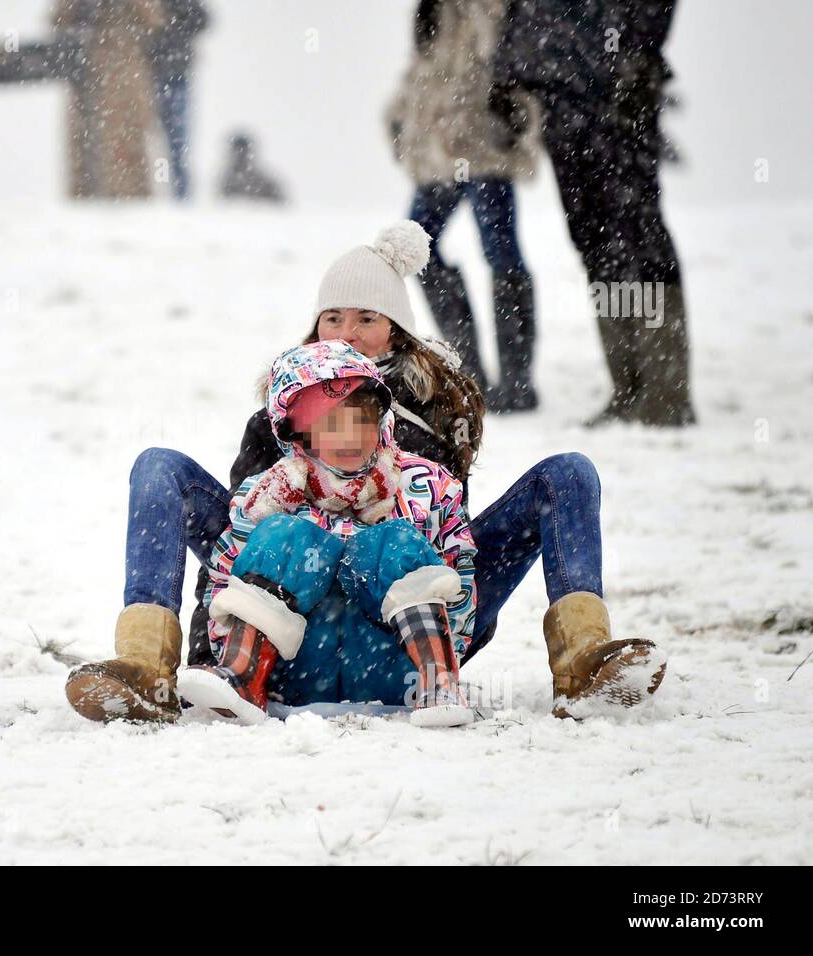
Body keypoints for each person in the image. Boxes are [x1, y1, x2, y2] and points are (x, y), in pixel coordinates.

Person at [64, 221, 665, 724]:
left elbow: (445, 535)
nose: (346, 333)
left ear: (398, 332)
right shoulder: (280, 416)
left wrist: (452, 620)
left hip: (411, 607)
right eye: (332, 318)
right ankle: (148, 666)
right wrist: (214, 646)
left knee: (567, 473)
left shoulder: (438, 412)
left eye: (366, 319)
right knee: (158, 468)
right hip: (294, 608)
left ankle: (582, 659)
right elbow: (243, 542)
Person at [179, 340, 478, 728]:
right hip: (294, 671)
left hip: (394, 669)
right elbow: (222, 581)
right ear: (299, 436)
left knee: (391, 542)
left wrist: (449, 638)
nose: (350, 436)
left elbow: (462, 579)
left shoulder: (426, 485)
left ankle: (438, 681)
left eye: (361, 419)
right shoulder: (267, 495)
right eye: (330, 425)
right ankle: (242, 676)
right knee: (287, 537)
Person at [491, 0, 694, 426]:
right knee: (594, 242)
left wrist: (636, 54)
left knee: (640, 235)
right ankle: (627, 386)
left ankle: (665, 392)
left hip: (617, 94)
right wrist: (506, 74)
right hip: (557, 96)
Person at [387, 0, 540, 411]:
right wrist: (402, 117)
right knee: (415, 246)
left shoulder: (496, 8)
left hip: (483, 142)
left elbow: (516, 60)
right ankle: (469, 369)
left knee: (499, 249)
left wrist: (512, 112)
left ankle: (515, 380)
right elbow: (424, 65)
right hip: (439, 148)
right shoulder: (434, 8)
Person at [54, 0, 166, 199]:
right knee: (84, 139)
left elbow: (153, 20)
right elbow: (58, 21)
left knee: (127, 138)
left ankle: (127, 195)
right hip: (88, 70)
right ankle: (88, 194)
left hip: (124, 70)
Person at [147, 0, 209, 200]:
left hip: (174, 74)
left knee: (177, 140)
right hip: (148, 75)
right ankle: (156, 193)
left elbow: (203, 20)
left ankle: (180, 194)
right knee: (151, 137)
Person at [218, 132, 286, 203]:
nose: (240, 155)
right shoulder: (223, 181)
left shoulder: (264, 182)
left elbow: (279, 205)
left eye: (243, 151)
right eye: (237, 151)